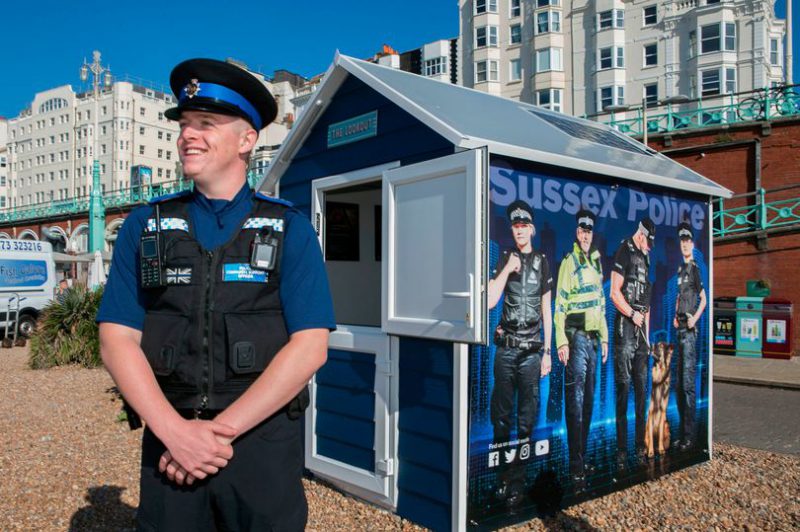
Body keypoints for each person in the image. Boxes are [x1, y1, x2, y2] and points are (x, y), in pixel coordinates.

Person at [96, 58, 335, 531]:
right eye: (184, 124)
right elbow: (116, 339)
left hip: (261, 442)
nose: (188, 135)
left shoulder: (288, 228)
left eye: (206, 123)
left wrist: (214, 437)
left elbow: (310, 347)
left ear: (247, 140)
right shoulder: (145, 226)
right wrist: (175, 434)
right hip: (170, 436)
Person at [487, 200, 552, 507]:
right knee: (501, 419)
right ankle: (501, 479)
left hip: (531, 353)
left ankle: (518, 480)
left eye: (524, 226)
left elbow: (547, 309)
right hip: (506, 350)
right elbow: (489, 301)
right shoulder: (503, 257)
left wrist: (548, 351)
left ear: (532, 229)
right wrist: (506, 270)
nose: (520, 231)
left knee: (526, 421)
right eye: (515, 226)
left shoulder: (543, 261)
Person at [554, 209, 608, 488]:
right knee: (574, 404)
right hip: (575, 339)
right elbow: (560, 305)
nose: (586, 236)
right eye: (582, 231)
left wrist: (605, 337)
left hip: (593, 342)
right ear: (577, 233)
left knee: (587, 402)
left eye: (589, 232)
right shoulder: (569, 262)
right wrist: (561, 340)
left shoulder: (596, 261)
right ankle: (575, 468)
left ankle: (582, 457)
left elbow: (601, 302)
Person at [610, 217, 655, 469]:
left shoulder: (646, 258)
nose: (649, 247)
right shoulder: (624, 250)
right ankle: (621, 452)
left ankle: (639, 447)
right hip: (625, 328)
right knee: (624, 389)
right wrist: (631, 314)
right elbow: (614, 293)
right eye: (648, 241)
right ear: (640, 234)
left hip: (641, 333)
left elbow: (647, 302)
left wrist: (648, 337)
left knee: (641, 391)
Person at [673, 222, 706, 451]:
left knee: (687, 385)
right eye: (682, 241)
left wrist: (694, 317)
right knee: (679, 387)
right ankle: (683, 435)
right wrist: (676, 315)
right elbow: (679, 295)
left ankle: (689, 437)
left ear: (692, 244)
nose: (684, 244)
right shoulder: (680, 270)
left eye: (687, 241)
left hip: (690, 332)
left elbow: (704, 298)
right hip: (680, 330)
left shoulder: (694, 268)